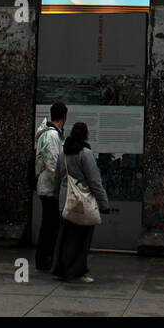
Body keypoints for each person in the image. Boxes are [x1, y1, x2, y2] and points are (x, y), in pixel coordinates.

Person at [51, 121, 109, 283]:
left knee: (64, 237)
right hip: (81, 202)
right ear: (85, 135)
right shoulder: (85, 154)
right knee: (81, 239)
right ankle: (76, 270)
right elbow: (94, 181)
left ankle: (60, 268)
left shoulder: (63, 153)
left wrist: (57, 198)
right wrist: (104, 203)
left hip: (65, 200)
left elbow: (57, 178)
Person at [33, 102, 68, 271]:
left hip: (43, 184)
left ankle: (44, 258)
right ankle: (44, 259)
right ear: (64, 117)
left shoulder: (44, 134)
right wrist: (62, 183)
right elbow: (54, 163)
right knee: (50, 226)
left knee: (48, 225)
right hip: (50, 187)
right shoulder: (53, 136)